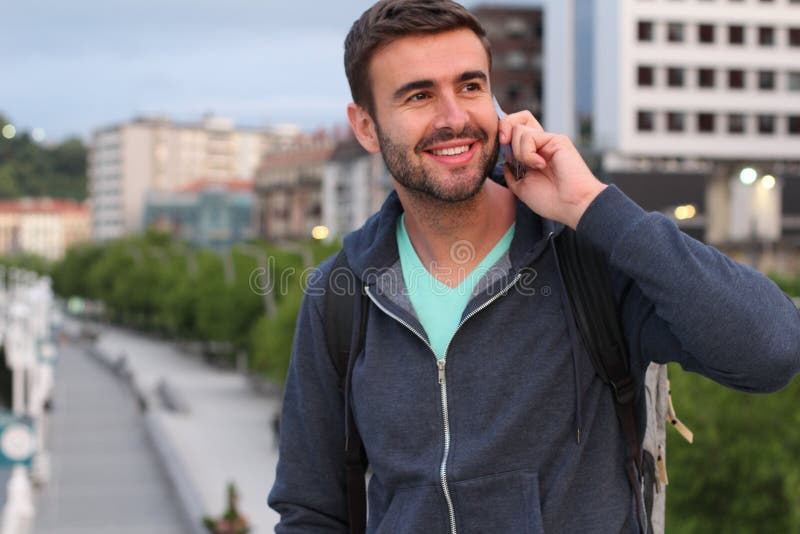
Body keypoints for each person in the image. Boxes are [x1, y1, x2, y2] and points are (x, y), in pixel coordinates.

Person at [268, 1, 800, 532]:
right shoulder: (342, 294)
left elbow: (772, 350)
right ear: (365, 126)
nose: (454, 117)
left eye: (471, 87)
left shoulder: (587, 260)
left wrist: (593, 205)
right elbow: (310, 509)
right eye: (420, 95)